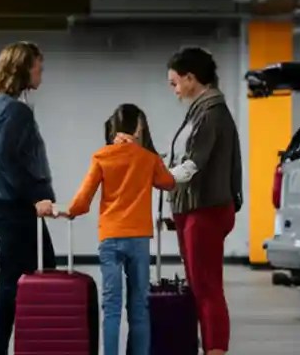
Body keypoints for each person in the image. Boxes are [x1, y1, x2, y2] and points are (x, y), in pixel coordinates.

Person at [63, 104, 176, 355]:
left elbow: (82, 201)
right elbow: (168, 182)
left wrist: (66, 211)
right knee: (139, 306)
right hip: (138, 240)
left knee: (111, 307)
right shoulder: (148, 158)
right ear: (137, 127)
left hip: (110, 238)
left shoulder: (102, 156)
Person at [0, 41, 57, 355]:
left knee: (16, 279)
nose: (41, 73)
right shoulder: (15, 110)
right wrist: (36, 197)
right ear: (24, 68)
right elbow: (7, 158)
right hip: (14, 208)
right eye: (38, 66)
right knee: (28, 277)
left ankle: (20, 345)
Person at [165, 47, 243, 355]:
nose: (174, 90)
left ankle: (215, 350)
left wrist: (155, 177)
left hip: (206, 210)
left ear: (190, 77)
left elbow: (191, 165)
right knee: (200, 287)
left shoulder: (211, 112)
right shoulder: (200, 109)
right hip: (194, 208)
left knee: (207, 288)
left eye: (175, 83)